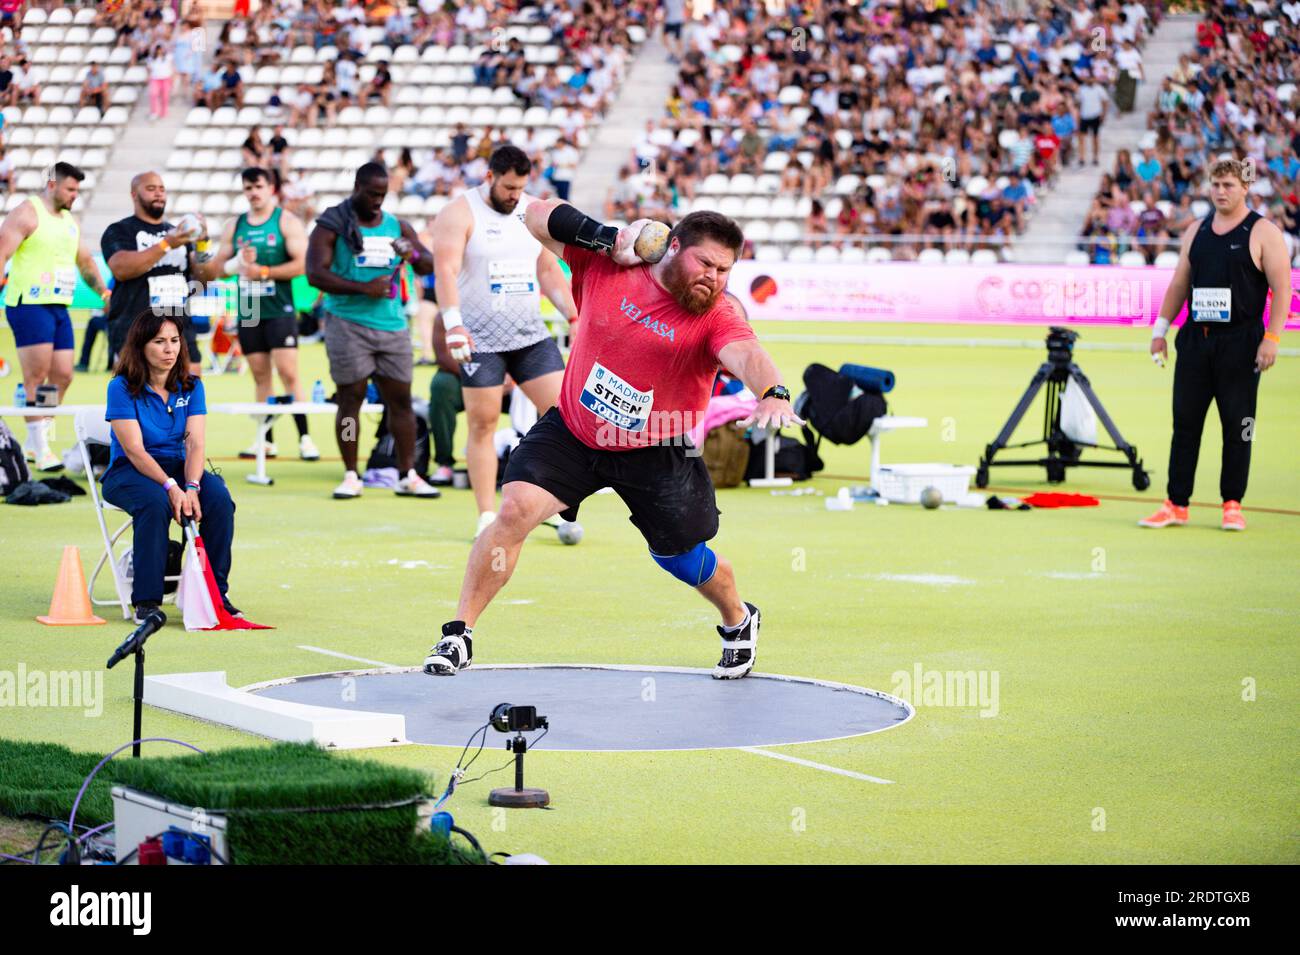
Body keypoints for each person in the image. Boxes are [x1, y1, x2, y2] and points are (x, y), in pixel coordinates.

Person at [422, 208, 801, 680]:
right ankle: (459, 634)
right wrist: (606, 237)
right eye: (705, 264)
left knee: (681, 560)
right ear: (673, 246)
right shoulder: (608, 265)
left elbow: (747, 354)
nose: (713, 278)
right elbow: (533, 215)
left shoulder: (715, 315)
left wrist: (773, 393)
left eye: (724, 270)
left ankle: (739, 618)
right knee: (515, 509)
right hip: (576, 432)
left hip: (657, 452)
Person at [430, 145, 576, 537]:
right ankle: (485, 515)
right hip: (479, 338)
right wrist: (453, 324)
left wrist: (574, 315)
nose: (514, 196)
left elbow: (547, 269)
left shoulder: (532, 212)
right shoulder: (458, 213)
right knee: (484, 422)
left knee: (562, 418)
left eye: (520, 188)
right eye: (509, 187)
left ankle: (545, 501)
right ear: (490, 177)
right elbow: (444, 270)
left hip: (529, 335)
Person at [1142, 159, 1291, 532]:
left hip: (1241, 343)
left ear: (1245, 188)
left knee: (1239, 426)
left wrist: (1271, 338)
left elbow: (1283, 289)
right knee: (1185, 424)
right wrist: (1160, 330)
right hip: (1196, 339)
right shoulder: (1196, 230)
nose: (1220, 191)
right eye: (1215, 184)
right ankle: (1176, 503)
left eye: (1228, 184)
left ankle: (1232, 503)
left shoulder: (1263, 232)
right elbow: (1180, 282)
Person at [305, 162, 440, 499]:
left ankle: (408, 474)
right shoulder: (332, 224)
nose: (378, 201)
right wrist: (363, 288)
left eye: (383, 195)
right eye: (372, 194)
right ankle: (352, 474)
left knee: (401, 402)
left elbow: (428, 266)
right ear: (357, 187)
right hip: (347, 325)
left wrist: (412, 252)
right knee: (350, 401)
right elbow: (314, 275)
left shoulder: (397, 226)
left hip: (391, 326)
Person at [102, 309, 238, 623]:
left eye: (175, 340)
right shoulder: (121, 387)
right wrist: (171, 487)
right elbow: (134, 451)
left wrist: (191, 486)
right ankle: (147, 602)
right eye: (159, 341)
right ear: (140, 346)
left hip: (178, 468)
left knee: (218, 499)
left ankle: (215, 593)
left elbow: (195, 444)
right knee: (155, 502)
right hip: (128, 472)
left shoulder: (192, 386)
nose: (170, 349)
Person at [195, 167, 318, 461]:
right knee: (261, 376)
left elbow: (303, 264)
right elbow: (212, 273)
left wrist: (263, 271)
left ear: (271, 188)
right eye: (248, 188)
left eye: (258, 186)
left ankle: (305, 438)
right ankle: (266, 441)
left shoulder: (286, 221)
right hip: (249, 309)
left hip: (280, 307)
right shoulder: (234, 226)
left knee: (289, 374)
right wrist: (234, 262)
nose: (253, 192)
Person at [0, 162, 112, 471]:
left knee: (63, 374)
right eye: (71, 189)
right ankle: (41, 446)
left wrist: (103, 292)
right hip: (28, 304)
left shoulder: (69, 222)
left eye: (77, 190)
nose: (75, 195)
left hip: (58, 306)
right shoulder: (27, 212)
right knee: (35, 375)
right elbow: (2, 251)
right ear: (53, 185)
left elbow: (86, 262)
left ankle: (38, 437)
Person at [102, 171, 207, 377]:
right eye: (151, 189)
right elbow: (121, 269)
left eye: (162, 189)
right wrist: (167, 244)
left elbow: (204, 277)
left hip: (179, 326)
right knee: (136, 394)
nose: (158, 194)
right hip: (135, 327)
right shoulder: (120, 230)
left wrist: (203, 242)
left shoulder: (178, 233)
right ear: (134, 194)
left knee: (189, 388)